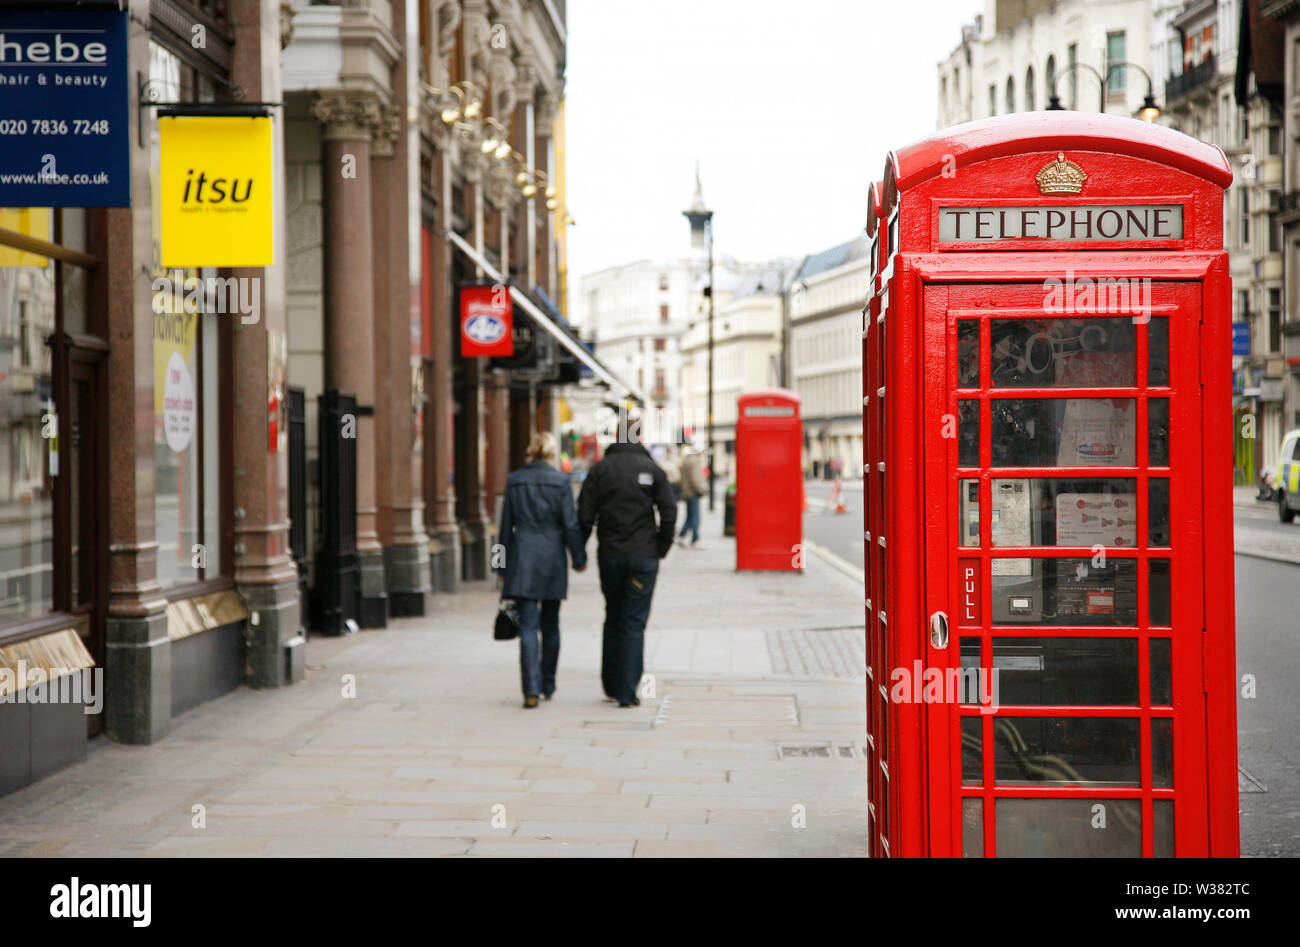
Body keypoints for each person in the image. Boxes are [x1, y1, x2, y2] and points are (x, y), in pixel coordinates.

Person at [578, 424, 676, 708]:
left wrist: (579, 552)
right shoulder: (652, 469)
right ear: (640, 438)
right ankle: (628, 690)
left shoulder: (600, 470)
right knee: (634, 621)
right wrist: (661, 547)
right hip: (643, 556)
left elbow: (584, 513)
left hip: (609, 555)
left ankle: (610, 684)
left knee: (613, 615)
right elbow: (669, 511)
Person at [495, 432, 587, 708]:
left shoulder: (515, 480)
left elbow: (504, 527)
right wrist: (579, 558)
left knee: (527, 626)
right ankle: (548, 682)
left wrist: (499, 565)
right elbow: (570, 525)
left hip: (522, 556)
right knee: (551, 627)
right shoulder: (561, 481)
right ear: (550, 454)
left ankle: (531, 689)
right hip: (552, 558)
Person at [676, 445, 706, 548]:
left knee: (689, 516)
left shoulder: (687, 460)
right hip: (693, 493)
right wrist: (701, 490)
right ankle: (694, 538)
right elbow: (695, 479)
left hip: (687, 492)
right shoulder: (694, 461)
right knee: (695, 517)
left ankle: (682, 536)